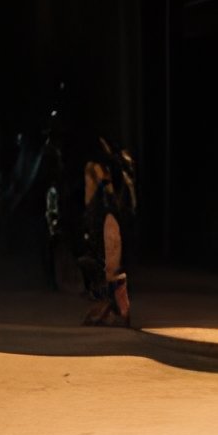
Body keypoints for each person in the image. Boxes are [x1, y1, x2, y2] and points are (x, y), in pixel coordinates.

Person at [81, 130, 136, 326]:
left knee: (109, 267)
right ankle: (115, 311)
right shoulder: (124, 163)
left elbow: (101, 196)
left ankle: (119, 311)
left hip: (106, 218)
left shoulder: (97, 168)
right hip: (118, 219)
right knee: (112, 267)